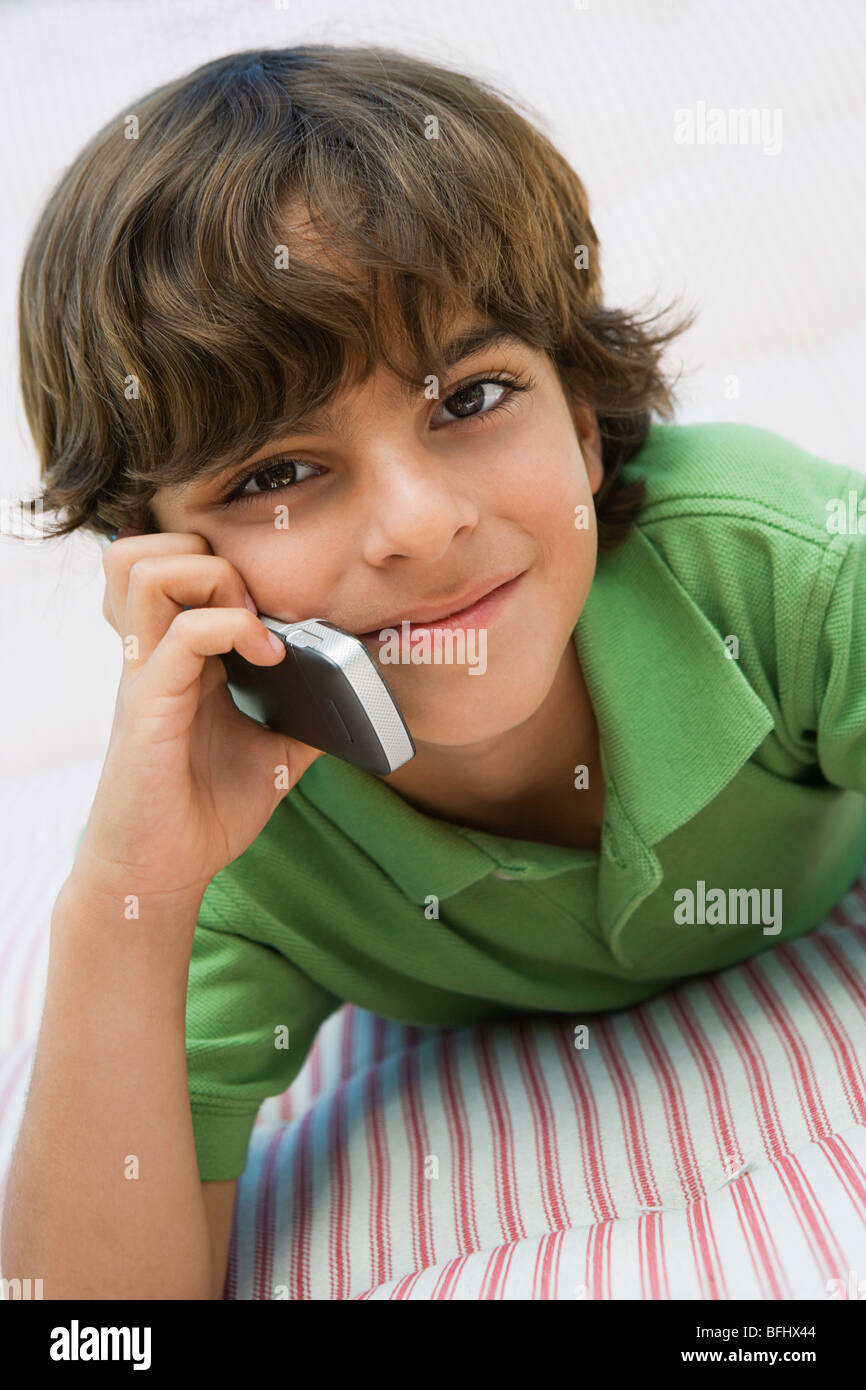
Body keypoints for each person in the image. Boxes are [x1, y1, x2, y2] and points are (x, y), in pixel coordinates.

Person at [3, 45, 864, 1300]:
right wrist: (123, 891)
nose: (414, 522)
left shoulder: (778, 570)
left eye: (469, 397)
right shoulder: (235, 840)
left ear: (579, 415)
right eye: (274, 475)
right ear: (166, 563)